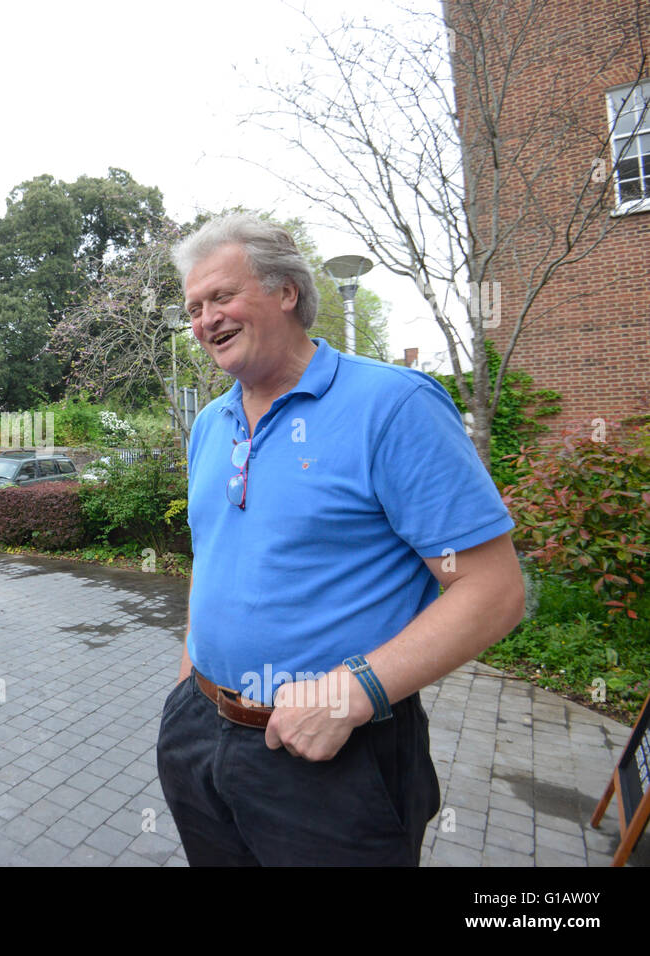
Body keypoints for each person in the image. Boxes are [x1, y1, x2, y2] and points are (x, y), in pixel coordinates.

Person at [156, 214, 525, 866]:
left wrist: (352, 694)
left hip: (333, 756)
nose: (205, 319)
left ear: (286, 292)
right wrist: (192, 679)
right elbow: (213, 556)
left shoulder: (392, 406)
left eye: (221, 297)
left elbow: (493, 591)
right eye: (194, 308)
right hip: (200, 734)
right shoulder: (209, 425)